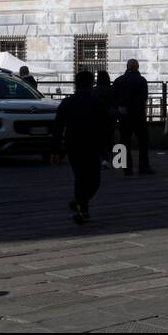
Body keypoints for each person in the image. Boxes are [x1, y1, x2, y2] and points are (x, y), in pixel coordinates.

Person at [51, 69, 111, 224]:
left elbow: (58, 128)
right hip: (91, 146)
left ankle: (82, 210)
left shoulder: (67, 102)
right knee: (94, 180)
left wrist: (56, 151)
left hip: (72, 145)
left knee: (80, 178)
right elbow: (105, 127)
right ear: (91, 84)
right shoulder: (95, 103)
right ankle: (81, 204)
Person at [112, 59, 154, 175]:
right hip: (138, 115)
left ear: (127, 67)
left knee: (124, 141)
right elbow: (143, 97)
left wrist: (121, 108)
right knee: (143, 141)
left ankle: (126, 168)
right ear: (137, 67)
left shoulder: (118, 80)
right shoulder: (141, 80)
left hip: (123, 116)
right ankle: (143, 167)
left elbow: (113, 98)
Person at [95, 70, 116, 168]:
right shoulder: (111, 90)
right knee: (109, 137)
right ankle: (108, 159)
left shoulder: (94, 90)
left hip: (97, 118)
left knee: (98, 138)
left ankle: (101, 158)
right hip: (109, 118)